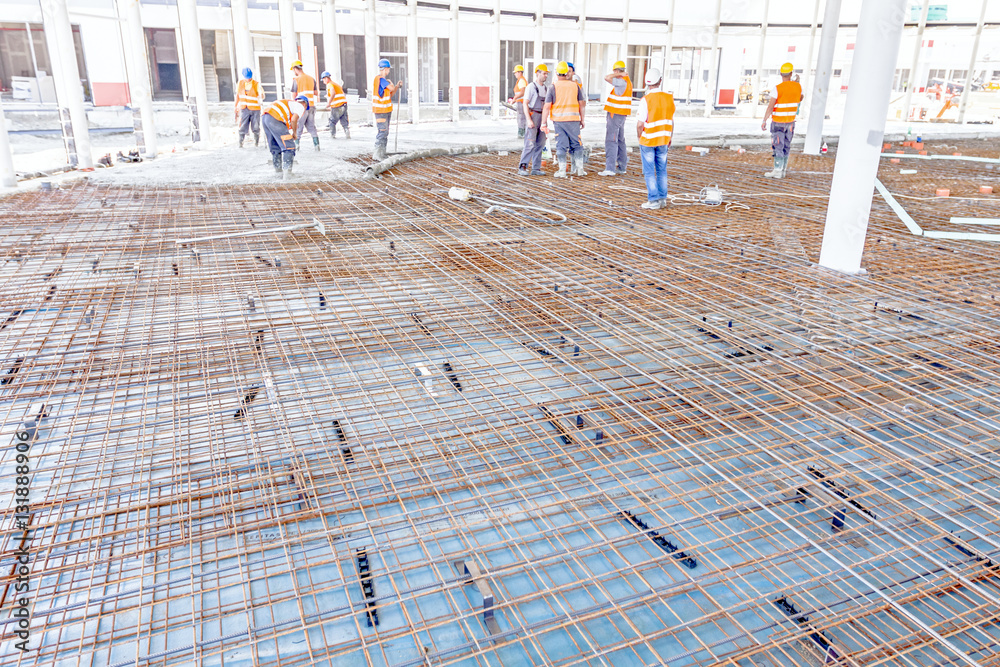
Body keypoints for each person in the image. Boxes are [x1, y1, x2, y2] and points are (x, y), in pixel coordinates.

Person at [635, 69, 675, 210]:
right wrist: (670, 136)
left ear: (646, 83)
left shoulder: (645, 100)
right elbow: (671, 120)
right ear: (660, 80)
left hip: (648, 140)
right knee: (662, 169)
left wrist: (640, 136)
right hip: (663, 139)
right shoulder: (668, 98)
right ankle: (662, 199)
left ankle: (653, 200)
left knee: (649, 171)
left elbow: (640, 124)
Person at [541, 61, 587, 178]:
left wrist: (543, 123)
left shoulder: (553, 87)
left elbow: (547, 106)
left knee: (561, 145)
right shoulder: (575, 86)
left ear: (556, 73)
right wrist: (582, 119)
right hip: (573, 120)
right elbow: (582, 104)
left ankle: (562, 171)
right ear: (567, 73)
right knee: (577, 144)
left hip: (559, 121)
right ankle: (580, 169)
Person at [760, 62, 803, 178]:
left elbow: (770, 106)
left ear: (781, 74)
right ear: (791, 73)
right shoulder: (798, 87)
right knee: (786, 146)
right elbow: (800, 98)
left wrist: (764, 120)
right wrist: (796, 83)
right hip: (790, 123)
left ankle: (777, 171)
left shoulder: (778, 88)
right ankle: (783, 170)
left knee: (778, 146)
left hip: (778, 122)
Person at [262, 95, 309, 180]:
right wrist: (295, 133)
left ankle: (278, 173)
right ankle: (288, 175)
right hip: (275, 118)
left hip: (265, 117)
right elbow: (294, 120)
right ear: (305, 104)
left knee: (275, 147)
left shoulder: (289, 104)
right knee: (289, 146)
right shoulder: (300, 106)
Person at [599, 60, 632, 176]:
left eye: (614, 71)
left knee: (611, 140)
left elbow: (606, 78)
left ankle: (610, 168)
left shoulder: (621, 81)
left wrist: (617, 74)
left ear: (617, 71)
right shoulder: (627, 81)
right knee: (620, 140)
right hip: (621, 115)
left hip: (615, 114)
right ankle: (622, 167)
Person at [517, 64, 550, 176]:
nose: (546, 76)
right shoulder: (531, 87)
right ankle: (523, 167)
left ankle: (536, 168)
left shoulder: (546, 88)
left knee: (540, 143)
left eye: (546, 74)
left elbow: (546, 106)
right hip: (533, 115)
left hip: (542, 117)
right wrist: (529, 120)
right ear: (538, 73)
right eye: (544, 73)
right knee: (530, 143)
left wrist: (545, 122)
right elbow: (525, 104)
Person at [372, 59, 403, 161]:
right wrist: (393, 84)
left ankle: (382, 153)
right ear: (385, 69)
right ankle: (377, 154)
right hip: (380, 112)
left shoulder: (382, 81)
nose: (389, 71)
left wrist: (397, 86)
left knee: (385, 132)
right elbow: (390, 87)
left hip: (385, 111)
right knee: (382, 131)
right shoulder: (380, 79)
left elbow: (391, 93)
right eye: (388, 69)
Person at [289, 60, 320, 151]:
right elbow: (316, 93)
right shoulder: (311, 78)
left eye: (293, 69)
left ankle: (296, 148)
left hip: (301, 107)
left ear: (295, 69)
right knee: (311, 127)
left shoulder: (296, 80)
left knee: (298, 127)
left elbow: (294, 95)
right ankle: (317, 147)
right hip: (311, 106)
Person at [235, 67, 263, 148]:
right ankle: (240, 143)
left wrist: (260, 97)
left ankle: (256, 142)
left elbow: (262, 95)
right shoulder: (240, 83)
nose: (248, 79)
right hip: (244, 109)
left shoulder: (256, 84)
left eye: (249, 77)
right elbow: (238, 95)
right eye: (247, 77)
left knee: (256, 126)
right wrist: (236, 106)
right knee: (243, 126)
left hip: (255, 110)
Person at [321, 71, 350, 139]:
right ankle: (347, 134)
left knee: (332, 121)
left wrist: (329, 103)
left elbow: (333, 93)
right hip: (344, 105)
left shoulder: (329, 84)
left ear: (326, 78)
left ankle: (332, 136)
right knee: (344, 121)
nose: (323, 82)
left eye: (323, 79)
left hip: (337, 106)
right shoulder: (337, 85)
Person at [511, 65, 528, 138]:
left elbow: (522, 92)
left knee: (521, 118)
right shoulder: (520, 80)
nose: (515, 74)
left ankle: (522, 133)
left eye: (515, 73)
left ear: (519, 72)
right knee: (521, 117)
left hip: (521, 102)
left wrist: (515, 98)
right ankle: (522, 132)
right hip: (520, 102)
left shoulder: (521, 81)